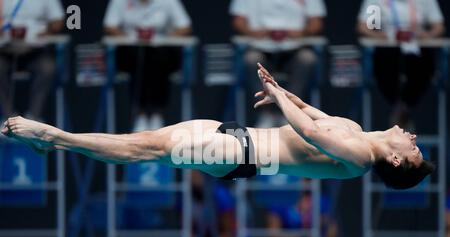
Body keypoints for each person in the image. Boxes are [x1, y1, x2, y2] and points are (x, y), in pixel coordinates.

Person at [2, 63, 435, 190]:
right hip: (235, 138)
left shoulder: (360, 158)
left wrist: (282, 98)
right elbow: (314, 115)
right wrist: (283, 91)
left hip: (238, 155)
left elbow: (312, 133)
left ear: (394, 159)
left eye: (414, 150)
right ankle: (55, 144)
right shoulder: (357, 130)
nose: (413, 138)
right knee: (143, 141)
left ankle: (54, 136)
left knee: (143, 149)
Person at [230, 0, 326, 128]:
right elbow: (238, 21)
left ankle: (290, 113)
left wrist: (302, 32)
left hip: (295, 48)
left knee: (307, 59)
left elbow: (316, 22)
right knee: (251, 60)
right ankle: (265, 114)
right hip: (260, 47)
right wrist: (253, 32)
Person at [103, 0, 192, 132]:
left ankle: (157, 114)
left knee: (156, 58)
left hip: (161, 53)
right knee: (141, 56)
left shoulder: (169, 2)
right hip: (130, 53)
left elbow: (185, 27)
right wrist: (129, 38)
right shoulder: (119, 2)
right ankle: (140, 115)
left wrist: (165, 38)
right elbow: (109, 26)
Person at [357, 0, 445, 130]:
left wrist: (426, 35)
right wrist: (381, 35)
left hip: (417, 48)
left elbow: (438, 27)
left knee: (423, 63)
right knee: (386, 61)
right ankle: (398, 108)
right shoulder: (376, 2)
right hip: (387, 48)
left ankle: (404, 108)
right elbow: (364, 27)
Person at [0, 0, 65, 122]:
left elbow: (58, 21)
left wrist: (48, 30)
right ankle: (8, 118)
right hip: (5, 49)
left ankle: (34, 117)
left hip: (35, 49)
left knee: (47, 68)